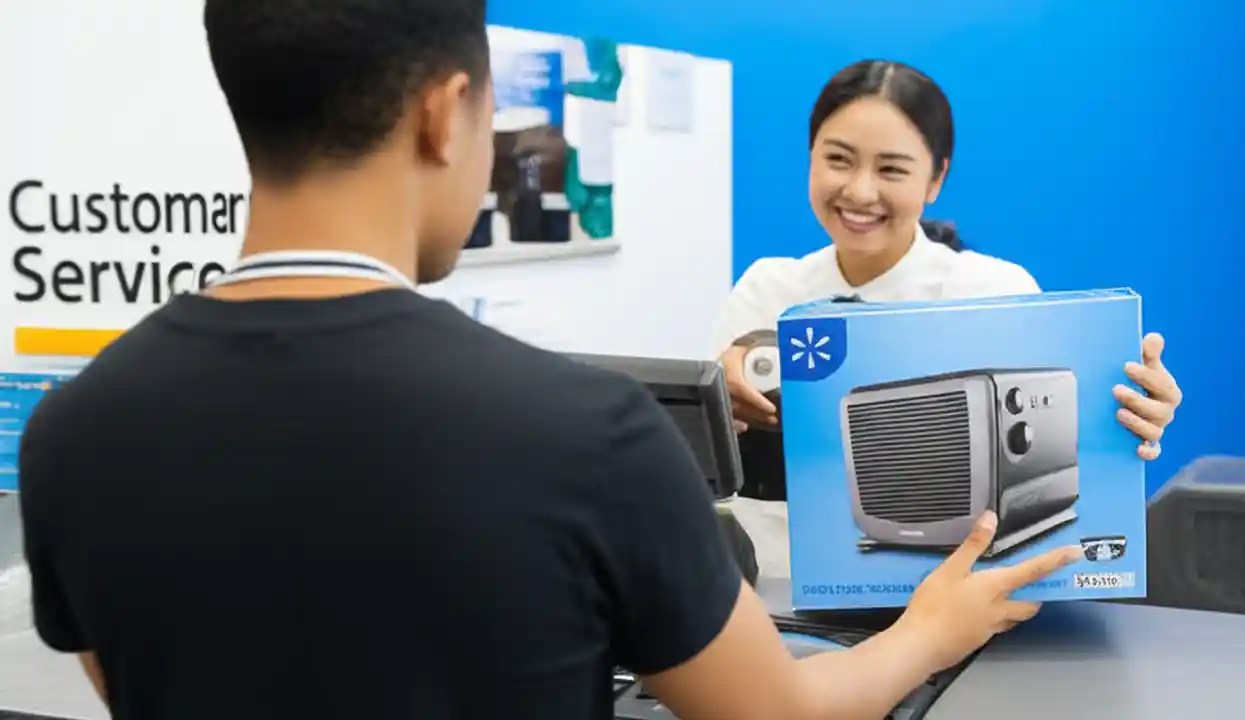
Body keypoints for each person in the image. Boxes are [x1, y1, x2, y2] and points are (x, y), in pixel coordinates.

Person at [17, 7, 1081, 719]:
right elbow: (778, 714)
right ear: (446, 113)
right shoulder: (586, 435)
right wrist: (933, 633)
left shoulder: (68, 437)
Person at [713, 59, 1184, 575]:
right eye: (839, 160)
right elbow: (702, 472)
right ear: (810, 158)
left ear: (935, 178)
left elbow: (1062, 447)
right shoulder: (767, 289)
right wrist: (718, 411)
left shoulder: (994, 292)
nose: (860, 191)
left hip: (956, 585)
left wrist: (1134, 412)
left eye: (891, 169)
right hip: (775, 586)